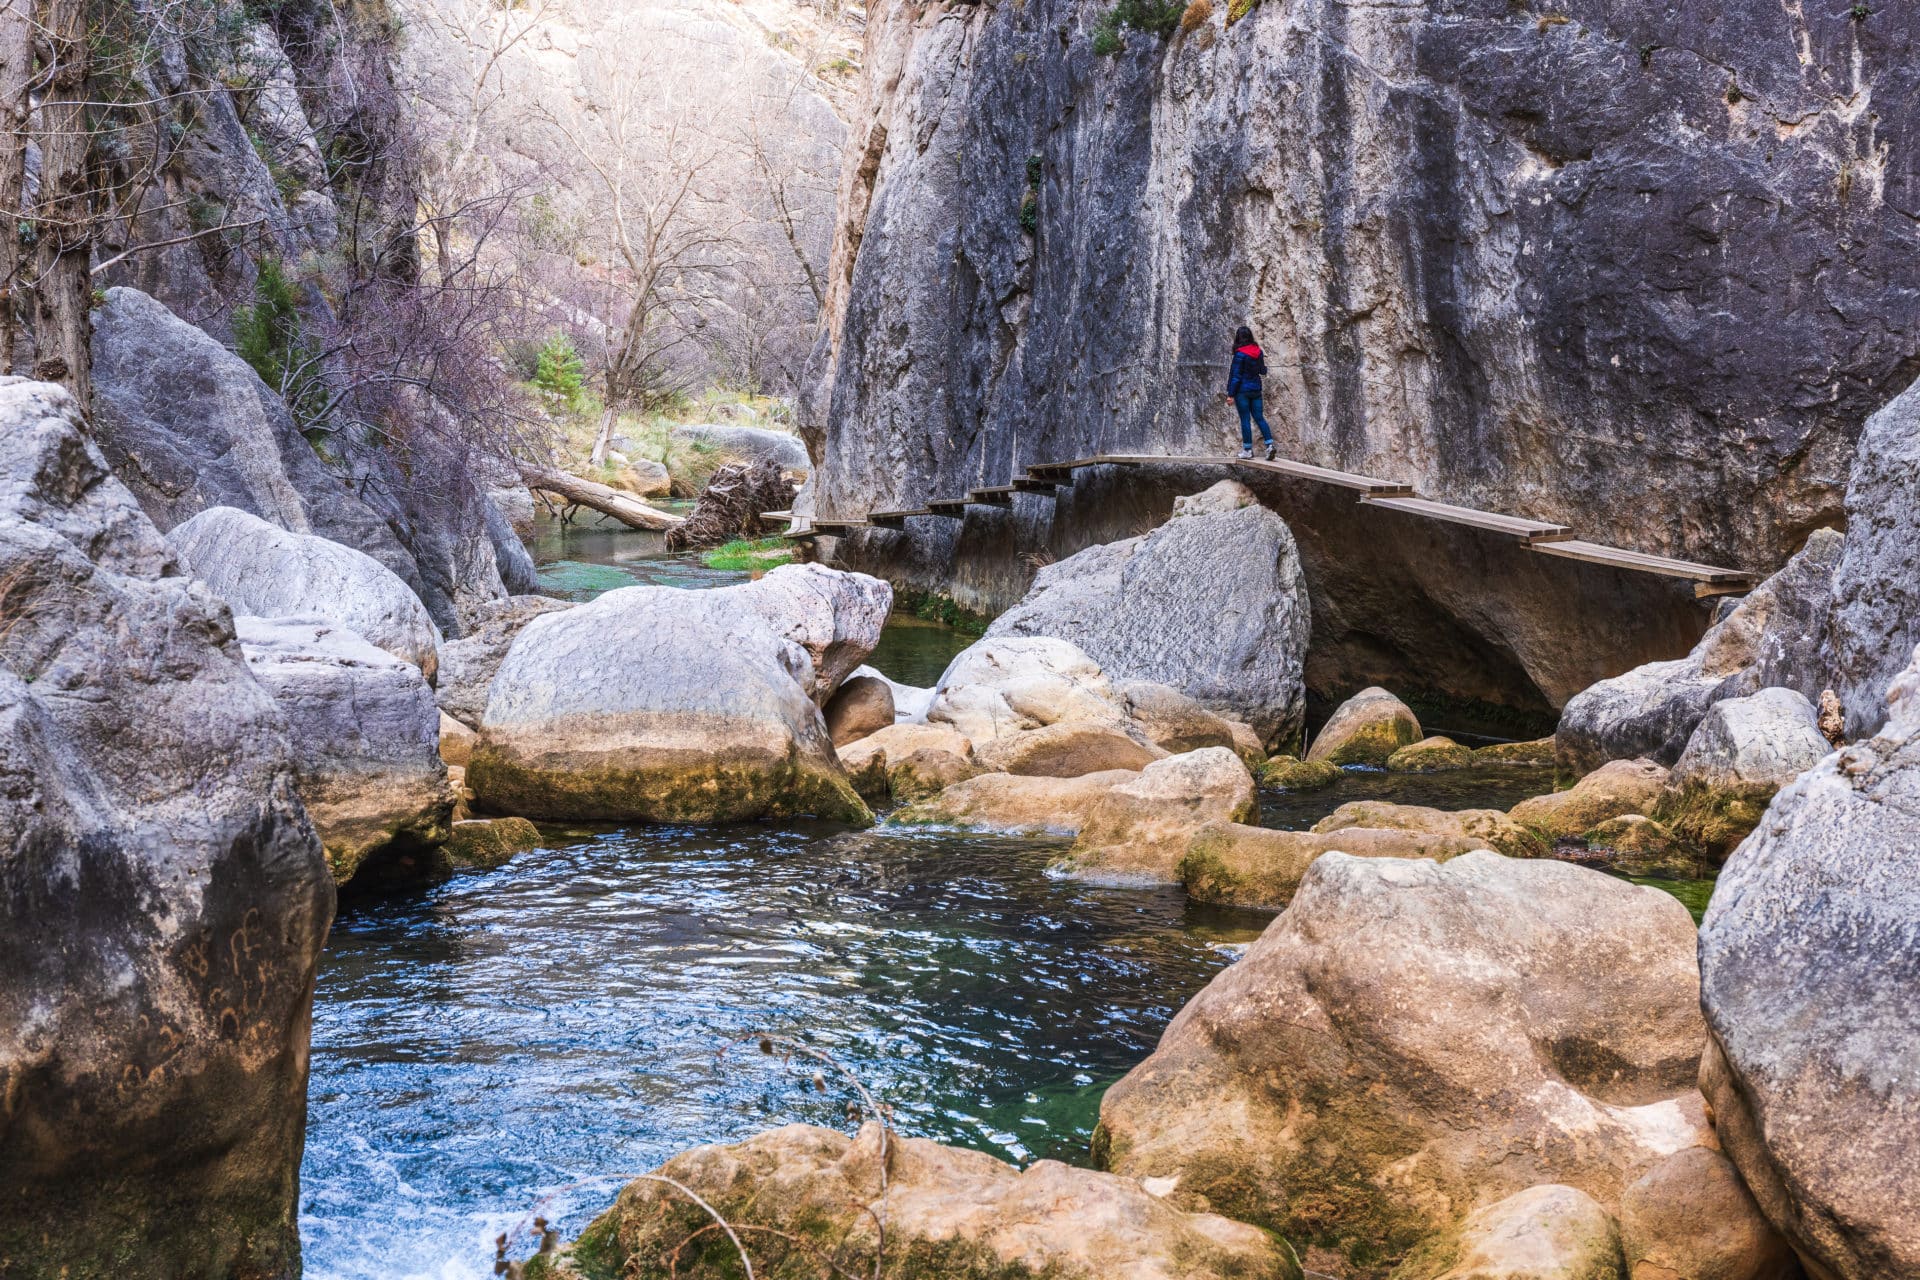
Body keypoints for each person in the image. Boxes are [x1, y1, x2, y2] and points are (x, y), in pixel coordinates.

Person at [1223, 325, 1274, 461]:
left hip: (1242, 392)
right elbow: (1263, 371)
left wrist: (1231, 394)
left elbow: (1236, 376)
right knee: (1259, 418)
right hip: (1256, 390)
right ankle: (1270, 445)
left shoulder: (1239, 354)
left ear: (1238, 338)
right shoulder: (1258, 351)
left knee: (1245, 419)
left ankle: (1247, 450)